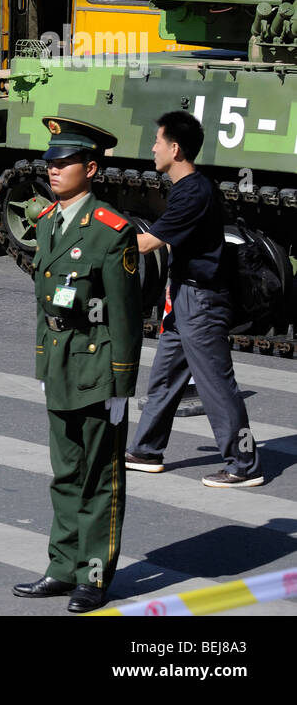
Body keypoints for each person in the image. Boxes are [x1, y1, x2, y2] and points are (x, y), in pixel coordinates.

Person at [13, 117, 142, 614]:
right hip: (61, 366)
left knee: (100, 477)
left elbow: (126, 314)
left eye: (64, 162)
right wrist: (44, 358)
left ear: (90, 168)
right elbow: (45, 302)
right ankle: (61, 568)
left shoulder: (112, 231)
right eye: (50, 161)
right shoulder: (47, 221)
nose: (54, 168)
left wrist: (121, 384)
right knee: (65, 473)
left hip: (96, 368)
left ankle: (93, 576)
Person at [126, 111, 262, 487]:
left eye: (158, 141)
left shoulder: (193, 193)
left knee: (217, 385)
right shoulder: (188, 188)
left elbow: (148, 242)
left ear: (175, 148)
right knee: (165, 376)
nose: (152, 148)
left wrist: (93, 231)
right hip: (185, 295)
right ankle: (146, 450)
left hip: (202, 301)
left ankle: (244, 463)